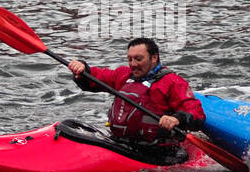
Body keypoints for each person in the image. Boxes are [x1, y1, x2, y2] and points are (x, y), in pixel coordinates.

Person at [66, 37, 205, 159]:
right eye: (130, 59)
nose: (133, 64)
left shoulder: (173, 82)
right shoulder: (123, 74)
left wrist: (176, 119)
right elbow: (95, 78)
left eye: (138, 59)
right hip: (122, 143)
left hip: (157, 151)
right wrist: (82, 69)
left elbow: (197, 114)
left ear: (154, 58)